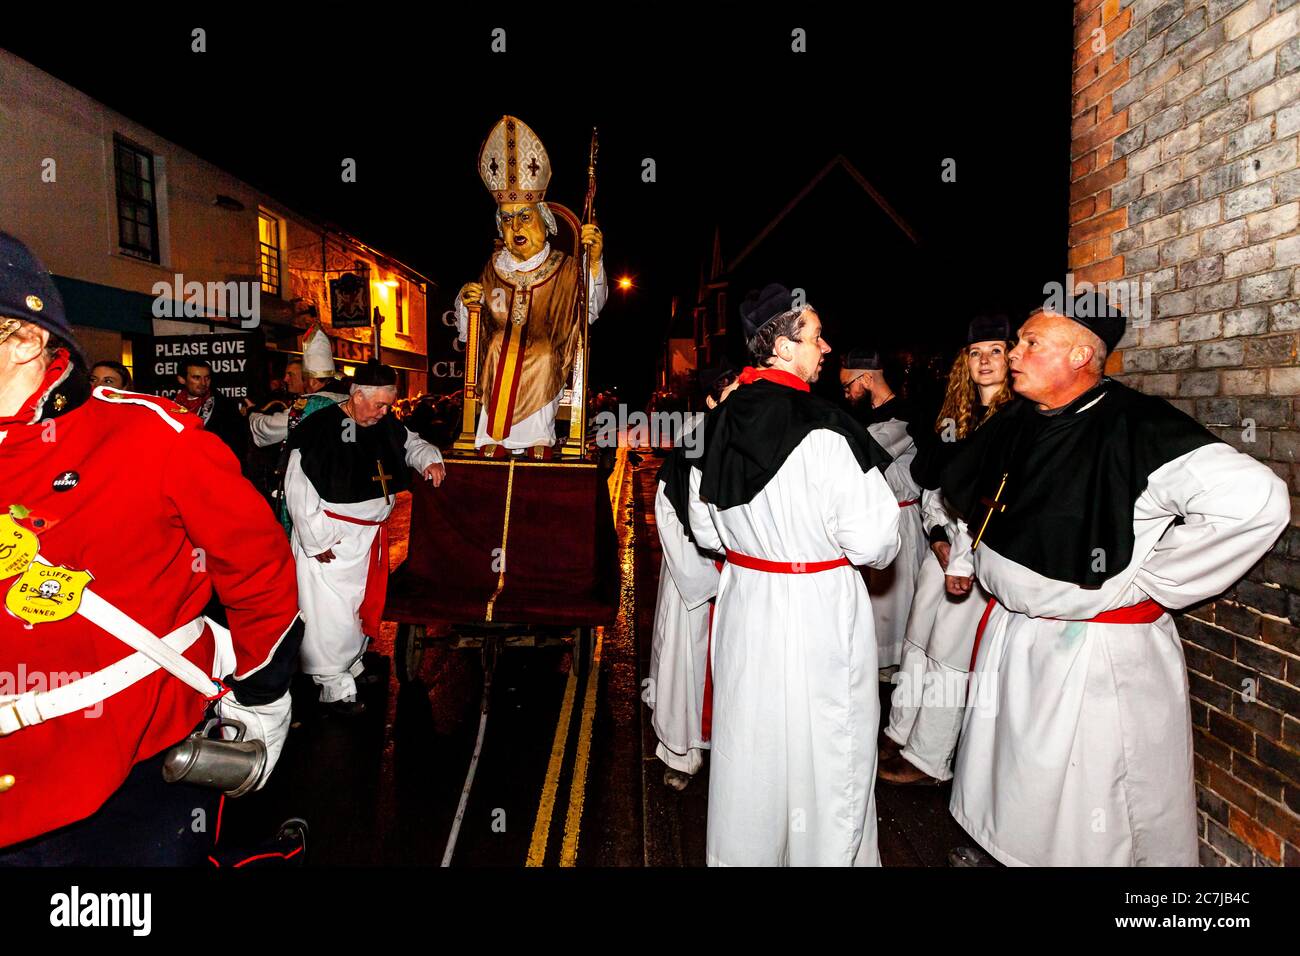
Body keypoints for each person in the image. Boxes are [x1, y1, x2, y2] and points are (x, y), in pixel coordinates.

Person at [942, 293, 1290, 866]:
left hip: (1092, 656)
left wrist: (1149, 581)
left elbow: (1258, 502)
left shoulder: (1138, 426)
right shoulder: (1018, 419)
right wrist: (966, 559)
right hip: (1016, 636)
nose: (1014, 355)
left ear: (1081, 354)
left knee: (1090, 815)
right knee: (1016, 787)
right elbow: (977, 500)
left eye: (1032, 343)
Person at [0, 232, 302, 864]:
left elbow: (257, 567)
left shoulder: (151, 437)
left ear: (26, 338)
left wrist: (264, 692)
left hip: (130, 772)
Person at [689, 284, 899, 866]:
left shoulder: (715, 423)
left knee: (751, 745)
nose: (827, 347)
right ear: (782, 346)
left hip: (747, 602)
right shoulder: (827, 427)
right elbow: (878, 542)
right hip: (819, 607)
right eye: (815, 335)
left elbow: (706, 532)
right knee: (830, 745)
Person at [879, 314, 1013, 786]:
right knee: (918, 637)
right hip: (944, 545)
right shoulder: (956, 418)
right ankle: (901, 728)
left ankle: (930, 756)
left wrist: (960, 552)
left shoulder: (1018, 421)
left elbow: (1000, 500)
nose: (985, 361)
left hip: (980, 553)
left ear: (1012, 357)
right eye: (976, 353)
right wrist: (936, 534)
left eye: (996, 350)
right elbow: (934, 486)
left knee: (950, 654)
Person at [283, 360, 446, 715]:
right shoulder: (319, 429)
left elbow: (413, 444)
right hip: (333, 535)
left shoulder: (384, 424)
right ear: (357, 396)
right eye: (380, 405)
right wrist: (316, 540)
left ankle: (351, 664)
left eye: (388, 405)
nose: (385, 412)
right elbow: (297, 487)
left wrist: (430, 461)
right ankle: (332, 686)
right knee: (330, 612)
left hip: (368, 536)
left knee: (358, 606)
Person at [454, 115, 608, 457]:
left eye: (524, 217)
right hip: (499, 345)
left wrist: (593, 263)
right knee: (495, 347)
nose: (515, 227)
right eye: (507, 220)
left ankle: (538, 438)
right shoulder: (494, 267)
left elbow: (590, 310)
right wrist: (468, 300)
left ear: (544, 221)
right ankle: (490, 438)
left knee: (541, 354)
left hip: (549, 345)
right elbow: (472, 322)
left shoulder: (566, 268)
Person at [643, 360, 738, 791]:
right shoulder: (694, 443)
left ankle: (733, 750)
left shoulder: (746, 435)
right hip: (696, 574)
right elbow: (669, 512)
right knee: (689, 662)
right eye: (730, 391)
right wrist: (704, 580)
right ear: (711, 398)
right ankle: (682, 752)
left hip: (739, 572)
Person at [840, 348, 925, 670]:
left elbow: (861, 454)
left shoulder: (902, 417)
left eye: (849, 385)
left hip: (900, 520)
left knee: (895, 609)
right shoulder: (862, 417)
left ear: (866, 378)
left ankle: (896, 677)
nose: (846, 393)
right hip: (865, 520)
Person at [174, 358, 251, 468]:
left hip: (214, 472)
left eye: (207, 378)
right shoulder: (170, 406)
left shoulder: (225, 407)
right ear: (181, 379)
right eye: (196, 378)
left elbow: (237, 448)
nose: (203, 383)